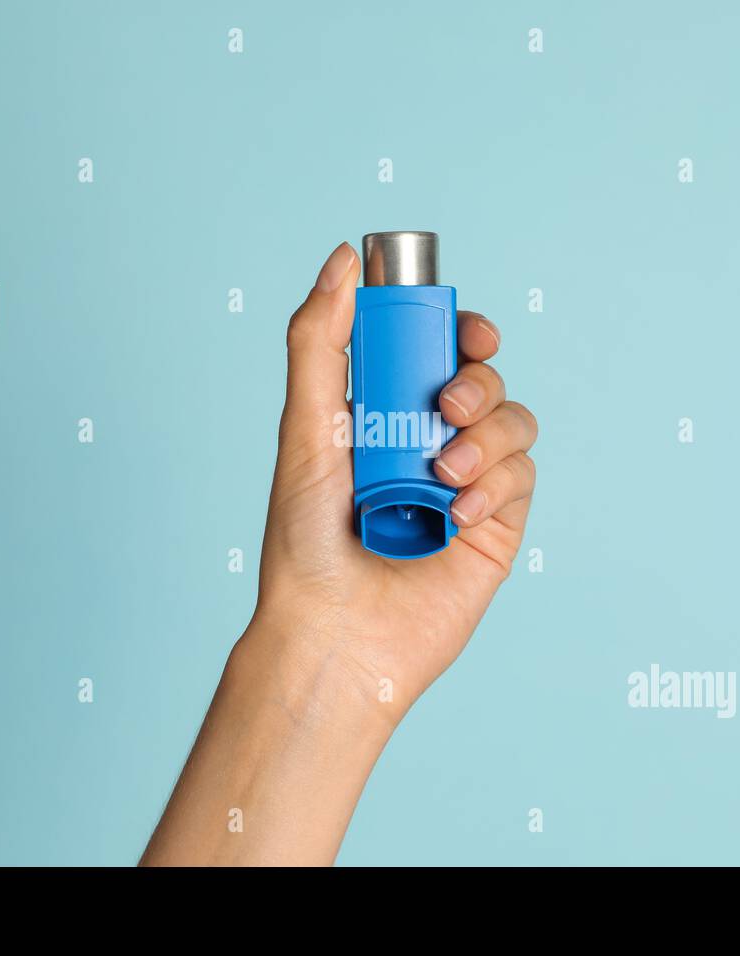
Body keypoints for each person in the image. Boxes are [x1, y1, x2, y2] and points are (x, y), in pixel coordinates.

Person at [140, 242, 539, 865]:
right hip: (380, 519)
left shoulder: (420, 315)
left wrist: (339, 648)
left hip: (418, 518)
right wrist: (319, 633)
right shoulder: (394, 314)